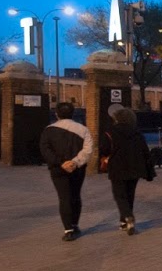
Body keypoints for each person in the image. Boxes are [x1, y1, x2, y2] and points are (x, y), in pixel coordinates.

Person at [39, 101, 94, 241]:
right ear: (73, 113)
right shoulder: (83, 129)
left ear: (56, 114)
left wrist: (60, 162)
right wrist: (75, 162)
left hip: (57, 169)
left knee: (64, 197)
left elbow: (45, 150)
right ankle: (75, 224)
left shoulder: (48, 130)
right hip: (78, 169)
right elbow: (88, 150)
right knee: (76, 195)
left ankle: (68, 229)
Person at [101, 107, 155, 234]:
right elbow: (145, 151)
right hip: (135, 168)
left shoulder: (110, 132)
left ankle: (127, 216)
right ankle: (124, 222)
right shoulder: (137, 133)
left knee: (119, 194)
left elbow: (104, 150)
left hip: (117, 167)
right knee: (130, 194)